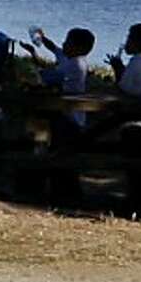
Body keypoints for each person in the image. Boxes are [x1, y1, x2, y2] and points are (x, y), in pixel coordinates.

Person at [27, 25, 96, 204]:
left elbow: (51, 76)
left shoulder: (75, 65)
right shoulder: (72, 60)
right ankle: (57, 187)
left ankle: (58, 190)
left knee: (59, 152)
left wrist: (33, 73)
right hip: (68, 115)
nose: (64, 45)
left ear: (79, 48)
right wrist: (44, 39)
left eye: (68, 42)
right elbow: (56, 51)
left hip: (69, 118)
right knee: (57, 149)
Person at [108, 22, 141, 216]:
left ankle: (136, 203)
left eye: (129, 38)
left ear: (137, 42)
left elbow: (124, 88)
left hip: (134, 122)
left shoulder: (136, 62)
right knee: (138, 167)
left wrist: (117, 70)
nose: (126, 42)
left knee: (134, 166)